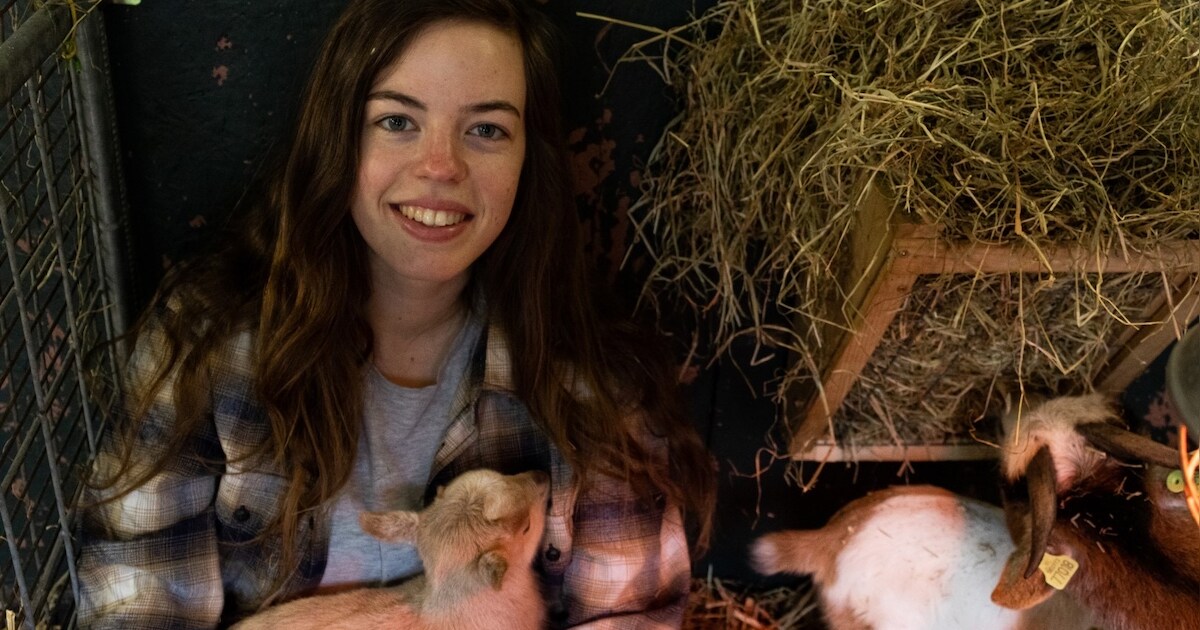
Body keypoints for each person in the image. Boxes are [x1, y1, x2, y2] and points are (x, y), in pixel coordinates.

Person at [77, 0, 716, 628]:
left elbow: (631, 611)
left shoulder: (594, 381)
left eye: (486, 129)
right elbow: (141, 598)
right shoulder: (207, 346)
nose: (440, 167)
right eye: (397, 122)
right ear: (339, 137)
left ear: (531, 160)